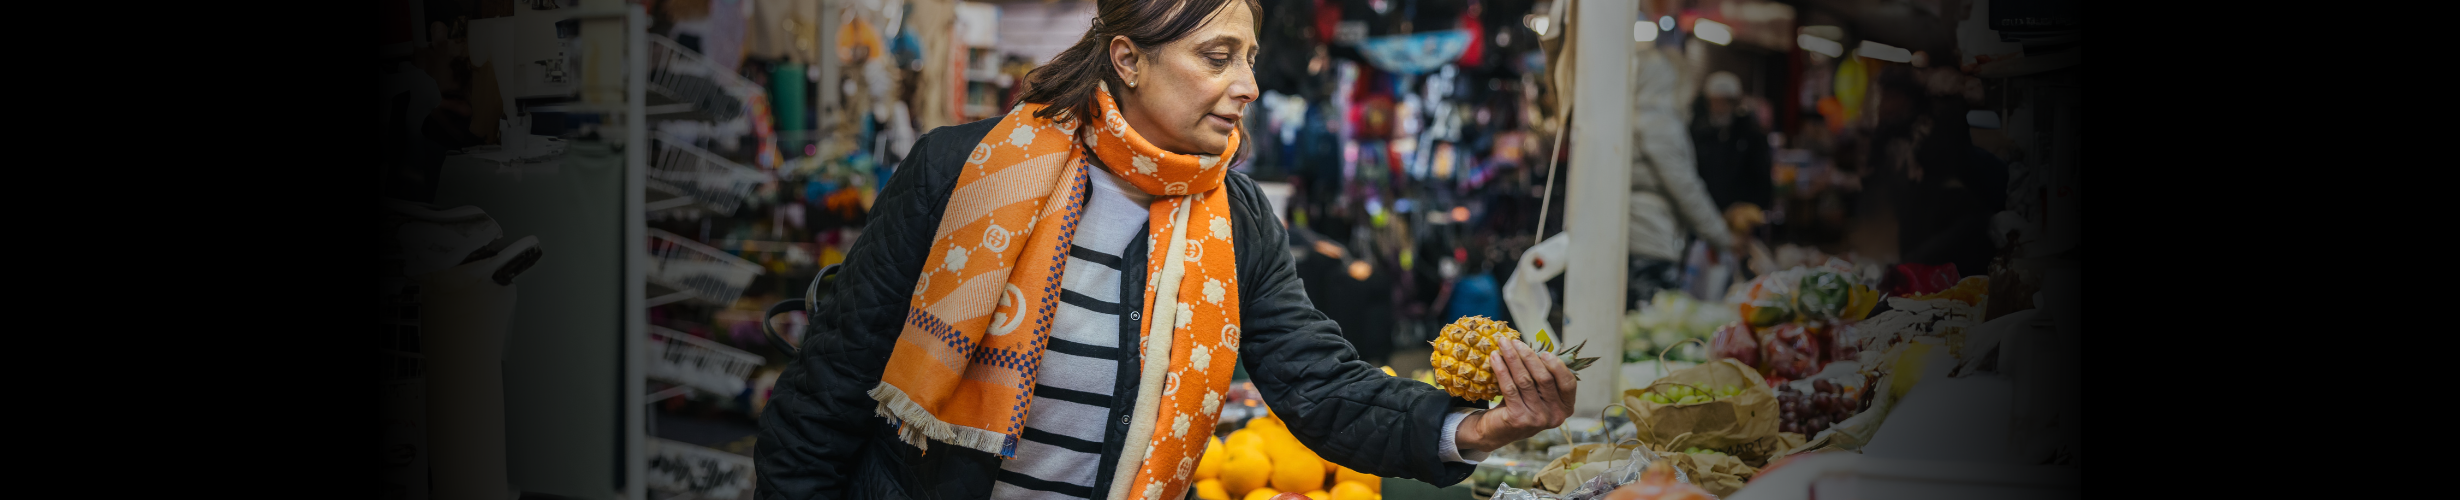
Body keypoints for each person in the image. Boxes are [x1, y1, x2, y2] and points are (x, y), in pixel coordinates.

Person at [754, 2, 1580, 499]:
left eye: (1249, 58)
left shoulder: (1239, 219)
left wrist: (1469, 429)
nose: (1248, 84)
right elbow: (825, 391)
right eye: (1217, 57)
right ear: (1129, 59)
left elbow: (1320, 385)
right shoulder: (961, 171)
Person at [1623, 41, 1737, 310]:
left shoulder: (1630, 119)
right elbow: (1684, 187)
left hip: (1635, 234)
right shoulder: (1659, 124)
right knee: (1651, 329)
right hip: (1651, 238)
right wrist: (1721, 236)